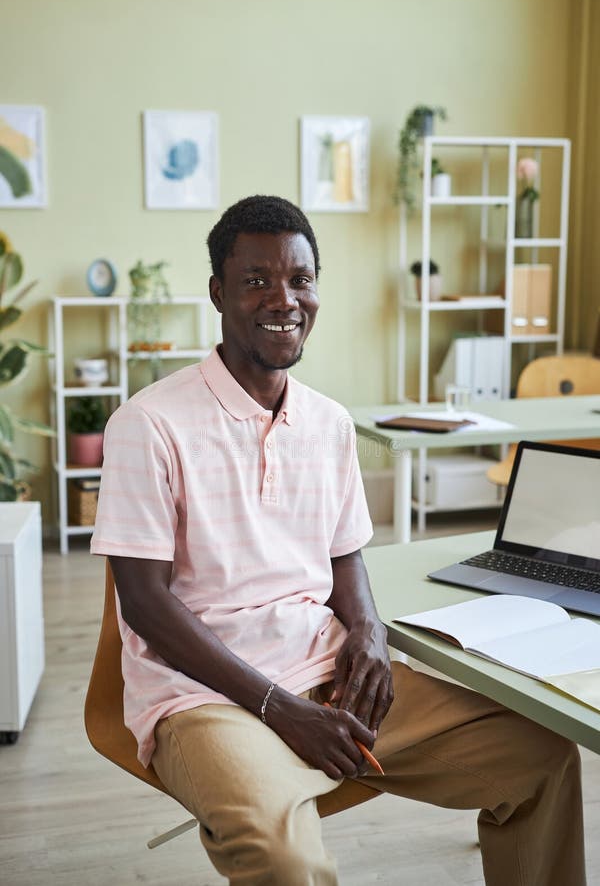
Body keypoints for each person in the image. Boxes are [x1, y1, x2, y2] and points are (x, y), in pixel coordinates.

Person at [91, 195, 586, 886]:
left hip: (329, 678)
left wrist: (370, 635)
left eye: (300, 279)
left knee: (543, 760)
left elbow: (344, 556)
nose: (283, 298)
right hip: (204, 698)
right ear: (217, 292)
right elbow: (142, 601)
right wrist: (276, 707)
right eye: (257, 279)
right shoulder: (149, 424)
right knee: (284, 858)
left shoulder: (328, 422)